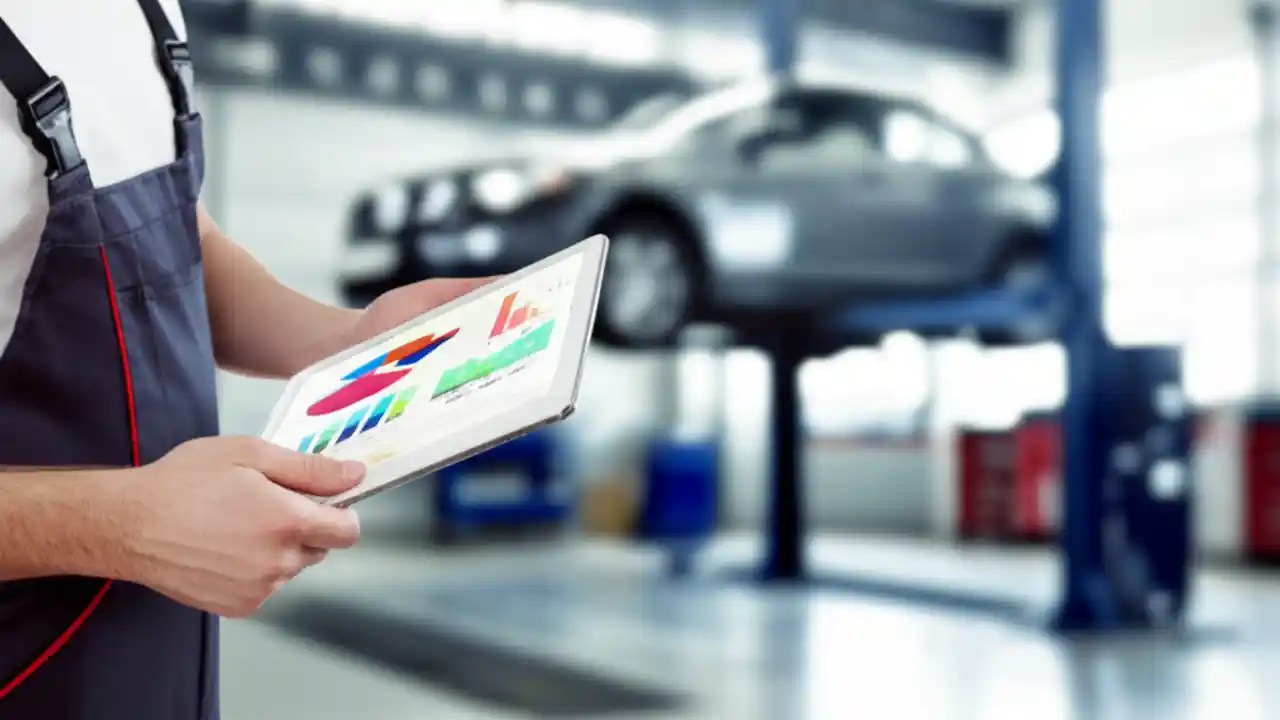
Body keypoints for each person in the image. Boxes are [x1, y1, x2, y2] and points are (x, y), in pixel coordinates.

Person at [0, 1, 489, 717]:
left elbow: (181, 252)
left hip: (153, 669)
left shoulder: (147, 11)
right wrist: (120, 525)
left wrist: (353, 343)